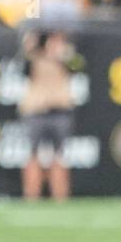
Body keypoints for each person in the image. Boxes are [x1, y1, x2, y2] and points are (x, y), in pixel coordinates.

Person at [18, 29, 81, 202]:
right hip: (36, 110)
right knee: (32, 155)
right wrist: (30, 47)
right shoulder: (33, 57)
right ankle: (31, 197)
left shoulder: (67, 57)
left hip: (60, 110)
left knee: (59, 156)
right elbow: (23, 68)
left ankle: (60, 198)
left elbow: (78, 66)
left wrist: (62, 54)